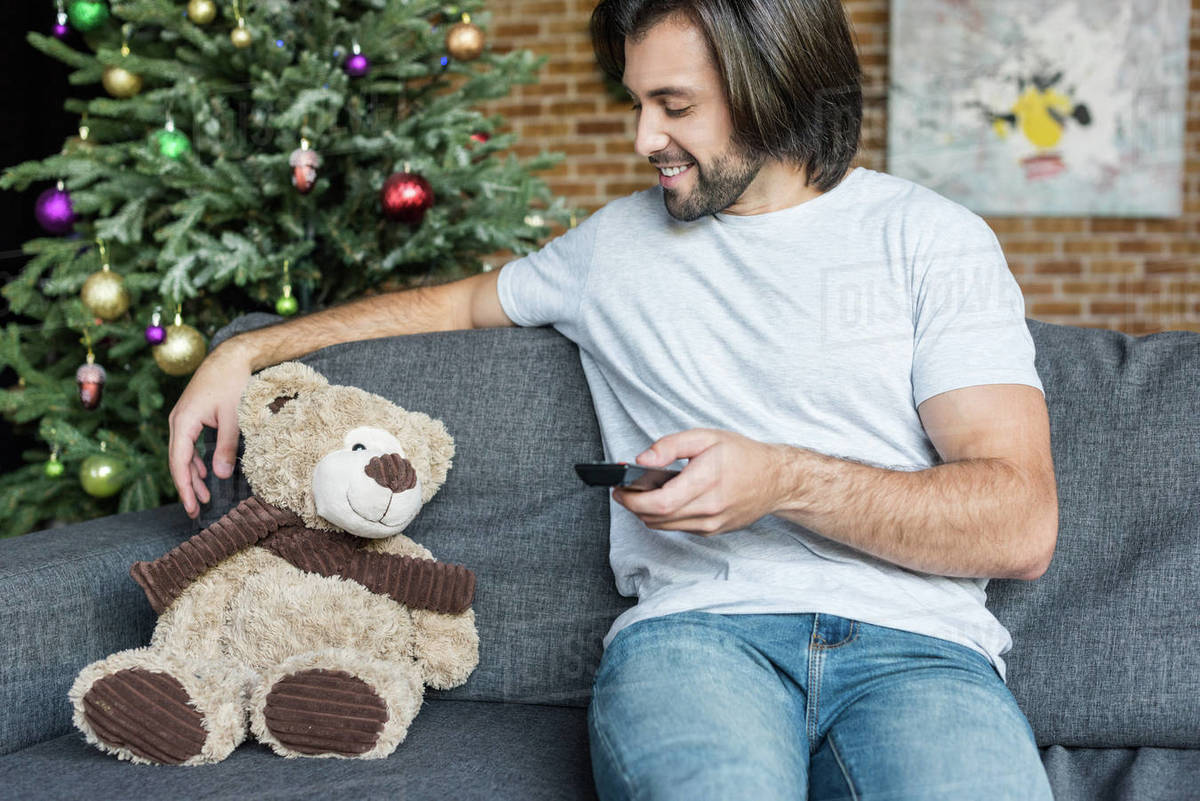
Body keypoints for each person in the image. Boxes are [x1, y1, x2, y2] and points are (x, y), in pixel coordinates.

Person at [169, 0, 1058, 797]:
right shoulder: (610, 251)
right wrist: (246, 350)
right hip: (699, 641)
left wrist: (782, 479)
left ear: (776, 86)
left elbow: (1020, 523)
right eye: (637, 103)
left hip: (922, 652)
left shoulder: (930, 240)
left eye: (676, 106)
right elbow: (447, 306)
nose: (644, 138)